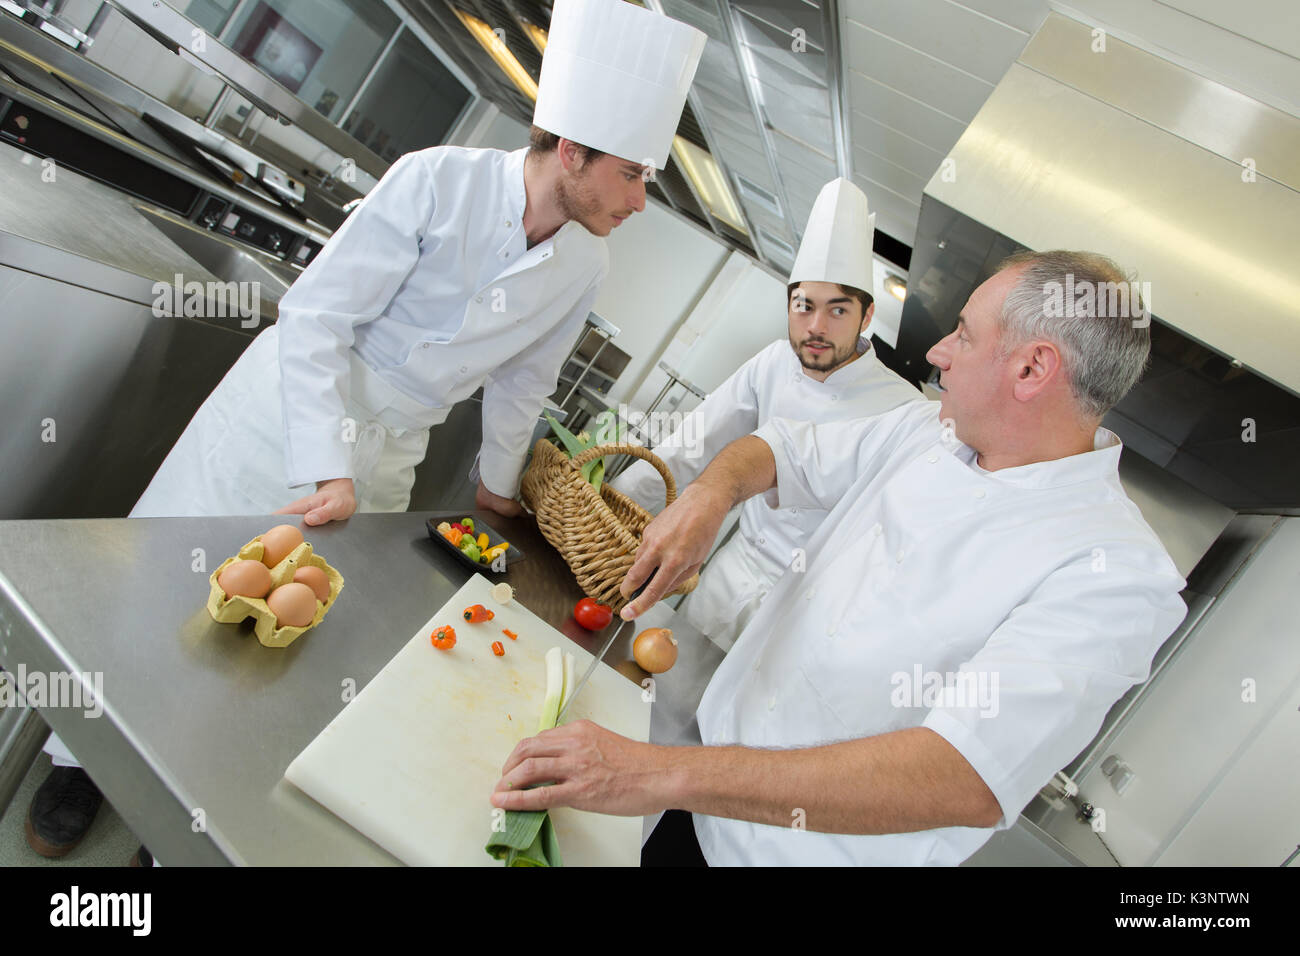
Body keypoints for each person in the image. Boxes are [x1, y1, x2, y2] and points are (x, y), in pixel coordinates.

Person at [24, 0, 705, 860]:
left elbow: (523, 381)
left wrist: (498, 496)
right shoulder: (436, 181)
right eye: (635, 175)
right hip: (290, 416)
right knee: (166, 592)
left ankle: (183, 807)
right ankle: (74, 763)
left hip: (394, 449)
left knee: (288, 637)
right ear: (572, 152)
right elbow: (314, 319)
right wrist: (322, 463)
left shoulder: (585, 262)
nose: (642, 201)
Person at [490, 250, 1188, 866]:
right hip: (695, 803)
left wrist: (657, 774)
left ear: (1032, 369)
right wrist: (712, 495)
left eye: (965, 335)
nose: (939, 351)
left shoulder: (1116, 574)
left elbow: (960, 776)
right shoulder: (926, 430)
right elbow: (783, 448)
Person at [609, 179, 919, 650]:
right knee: (658, 698)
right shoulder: (774, 362)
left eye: (838, 310)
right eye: (804, 306)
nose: (816, 326)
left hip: (810, 611)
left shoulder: (903, 409)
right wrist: (609, 507)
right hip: (727, 575)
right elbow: (693, 446)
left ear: (867, 315)